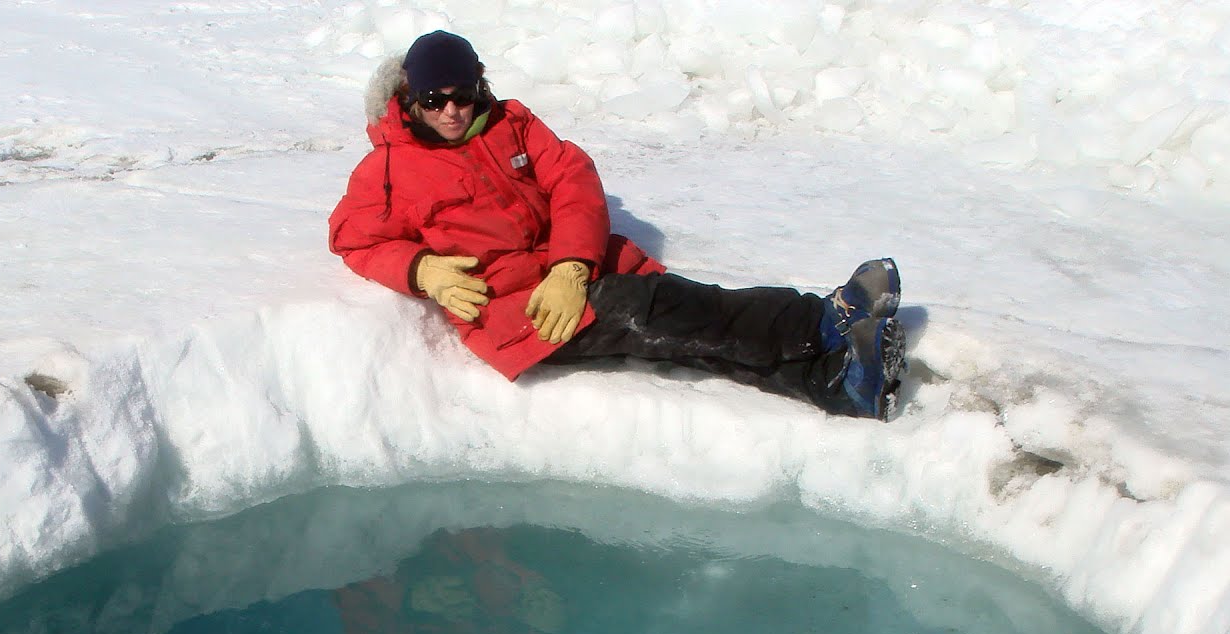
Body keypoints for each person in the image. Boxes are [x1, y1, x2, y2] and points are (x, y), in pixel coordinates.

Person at [329, 30, 908, 420]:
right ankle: (825, 321)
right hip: (519, 313)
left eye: (463, 95)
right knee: (671, 313)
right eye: (435, 100)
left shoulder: (511, 123)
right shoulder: (387, 169)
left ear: (479, 84)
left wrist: (571, 265)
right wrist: (419, 268)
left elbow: (572, 177)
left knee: (688, 337)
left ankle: (839, 381)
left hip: (570, 278)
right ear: (409, 99)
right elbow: (350, 235)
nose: (451, 111)